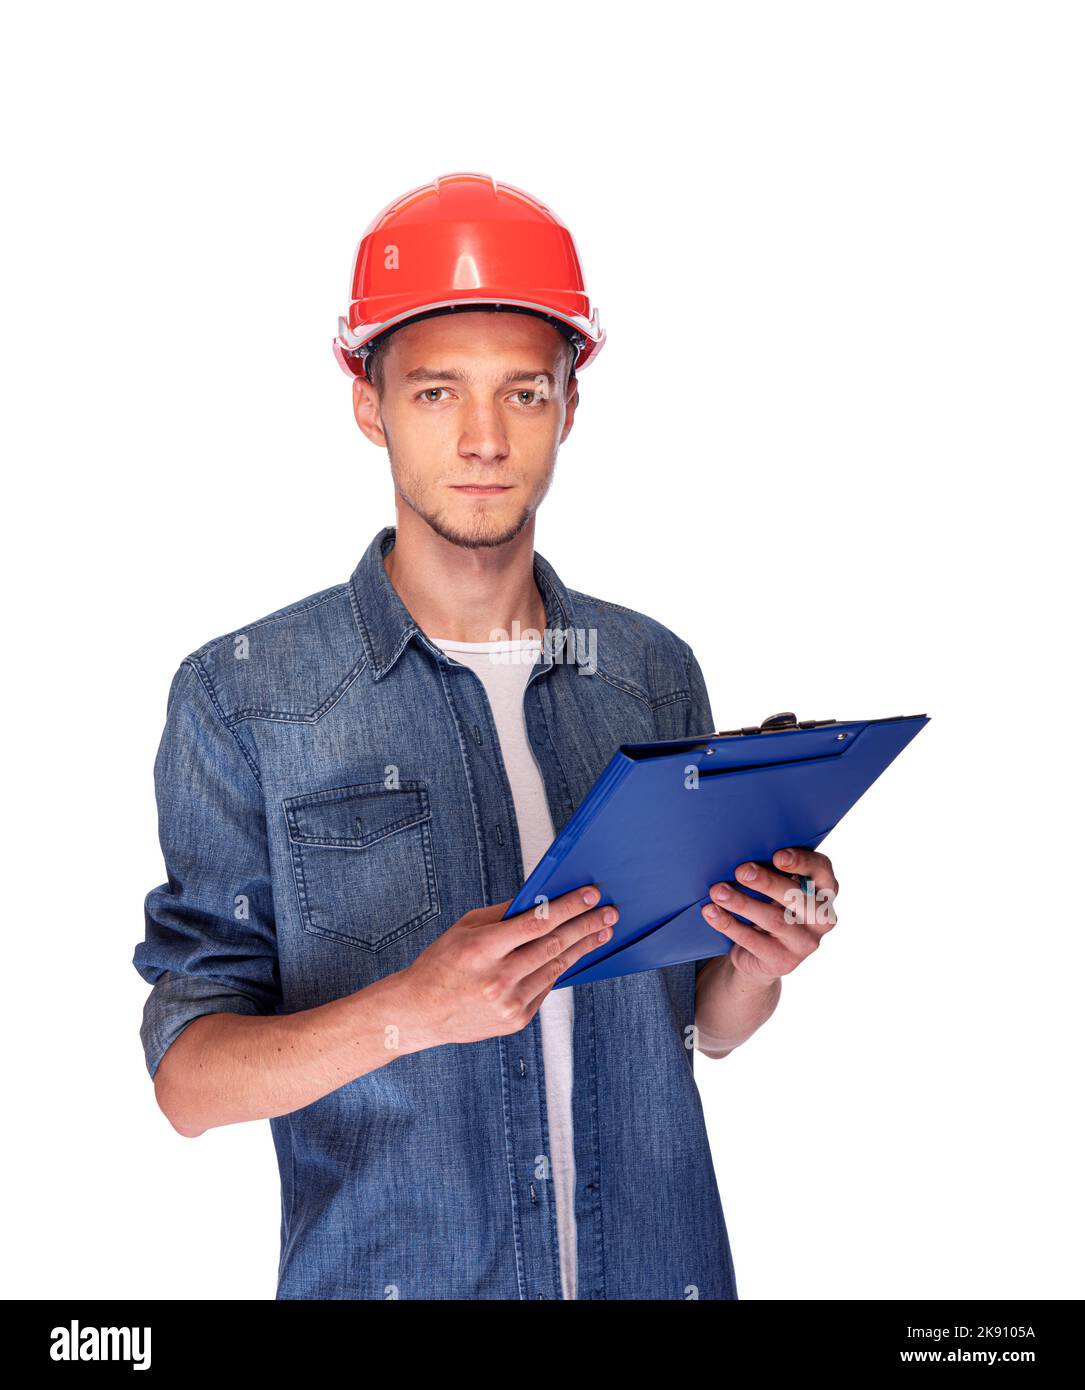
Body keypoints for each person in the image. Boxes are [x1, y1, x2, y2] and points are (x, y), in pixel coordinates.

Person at [133, 171, 840, 1301]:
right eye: (433, 394)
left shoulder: (649, 671)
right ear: (367, 404)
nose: (480, 439)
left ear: (568, 403)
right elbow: (188, 1079)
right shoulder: (242, 698)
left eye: (520, 394)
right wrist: (411, 1009)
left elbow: (702, 1025)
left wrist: (759, 957)